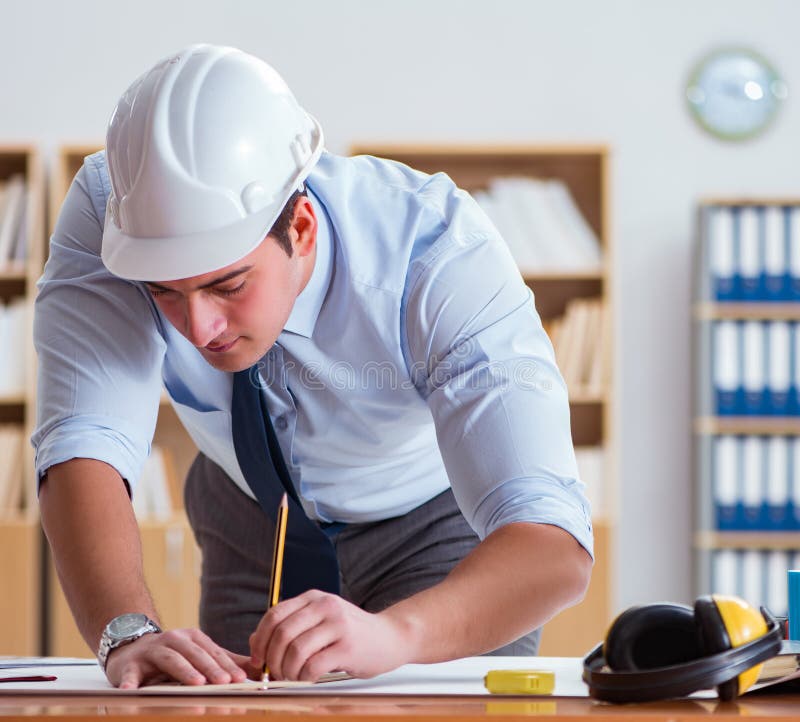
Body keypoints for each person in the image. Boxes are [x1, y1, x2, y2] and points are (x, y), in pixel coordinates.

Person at [34, 44, 593, 690]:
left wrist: (394, 635)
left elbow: (552, 546)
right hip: (249, 510)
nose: (197, 328)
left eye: (227, 284)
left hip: (429, 519)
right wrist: (126, 632)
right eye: (163, 292)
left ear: (299, 228)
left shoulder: (439, 258)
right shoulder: (117, 215)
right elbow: (84, 443)